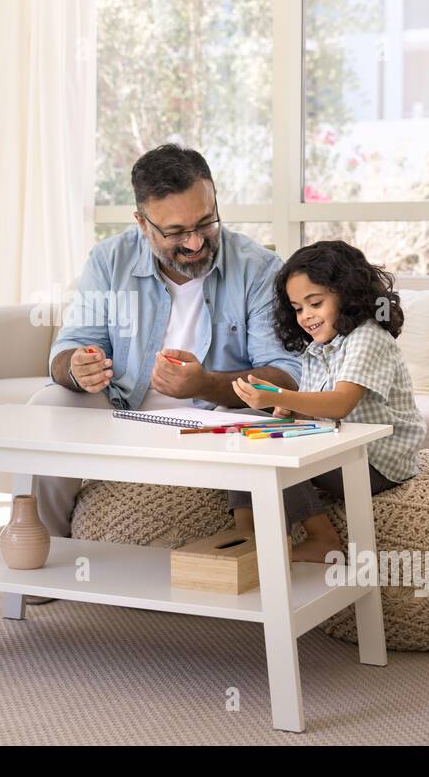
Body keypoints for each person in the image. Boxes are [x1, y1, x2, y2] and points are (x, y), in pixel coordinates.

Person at [34, 143, 304, 537]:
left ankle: (255, 545)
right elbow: (68, 347)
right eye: (175, 232)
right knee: (48, 404)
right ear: (142, 222)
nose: (195, 243)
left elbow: (286, 375)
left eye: (206, 223)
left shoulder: (259, 269)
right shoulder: (109, 260)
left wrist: (205, 384)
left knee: (256, 420)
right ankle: (48, 543)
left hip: (214, 422)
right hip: (122, 413)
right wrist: (75, 367)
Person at [229, 240, 426, 562]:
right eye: (297, 308)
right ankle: (247, 539)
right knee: (248, 441)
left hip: (376, 461)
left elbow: (340, 404)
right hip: (340, 448)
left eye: (315, 303)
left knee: (276, 451)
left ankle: (323, 539)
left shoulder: (368, 336)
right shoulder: (319, 349)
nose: (306, 316)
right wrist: (282, 406)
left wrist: (280, 395)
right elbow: (313, 407)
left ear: (347, 293)